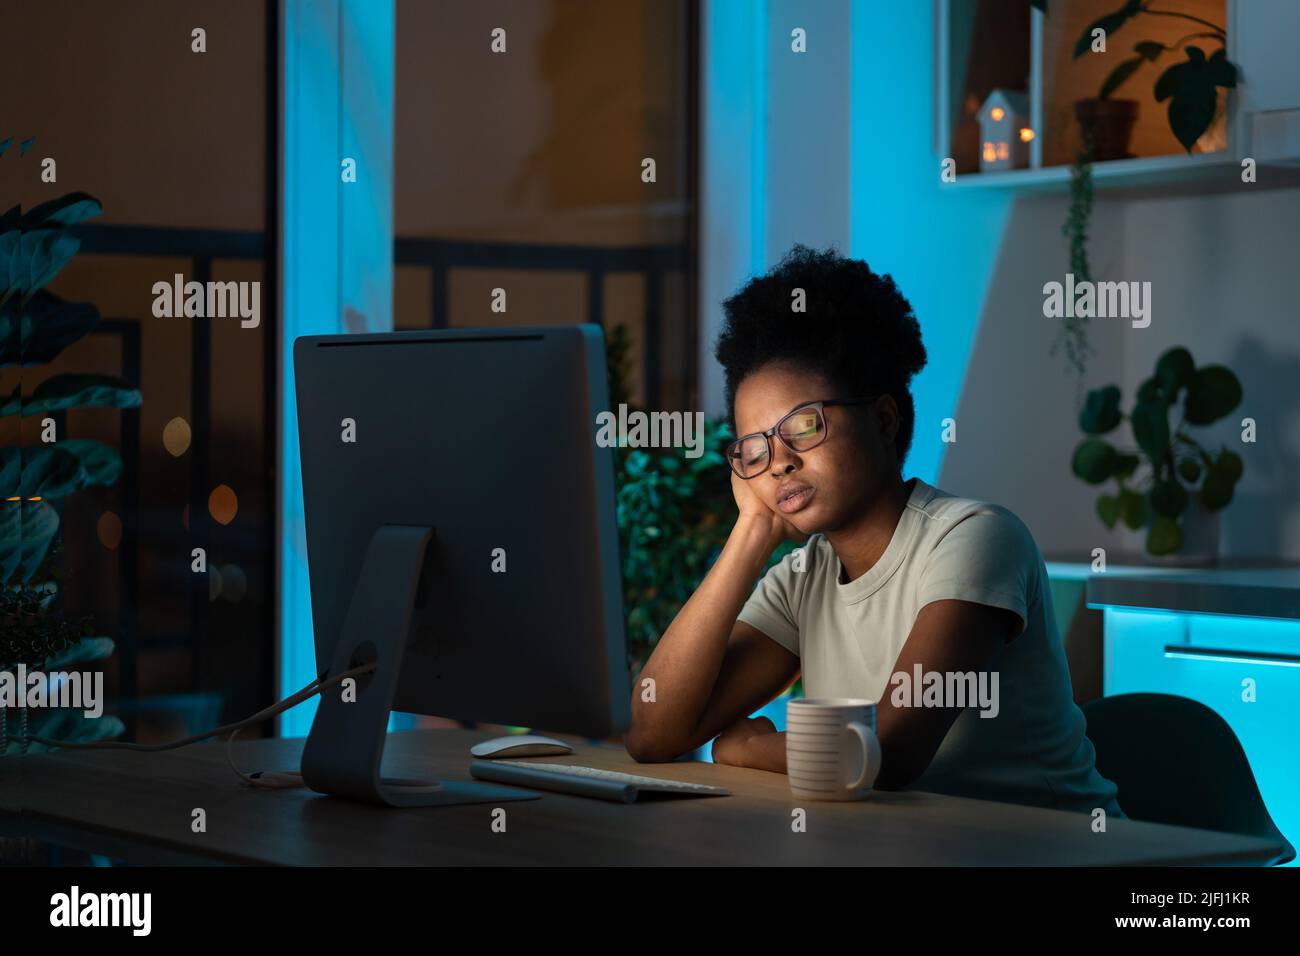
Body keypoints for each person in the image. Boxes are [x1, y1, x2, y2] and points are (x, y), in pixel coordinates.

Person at [625, 244, 1122, 816]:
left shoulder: (975, 539)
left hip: (1057, 852)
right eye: (755, 449)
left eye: (803, 426)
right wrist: (752, 529)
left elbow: (886, 754)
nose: (779, 462)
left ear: (884, 420)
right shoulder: (803, 579)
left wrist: (750, 748)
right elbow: (654, 733)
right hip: (910, 851)